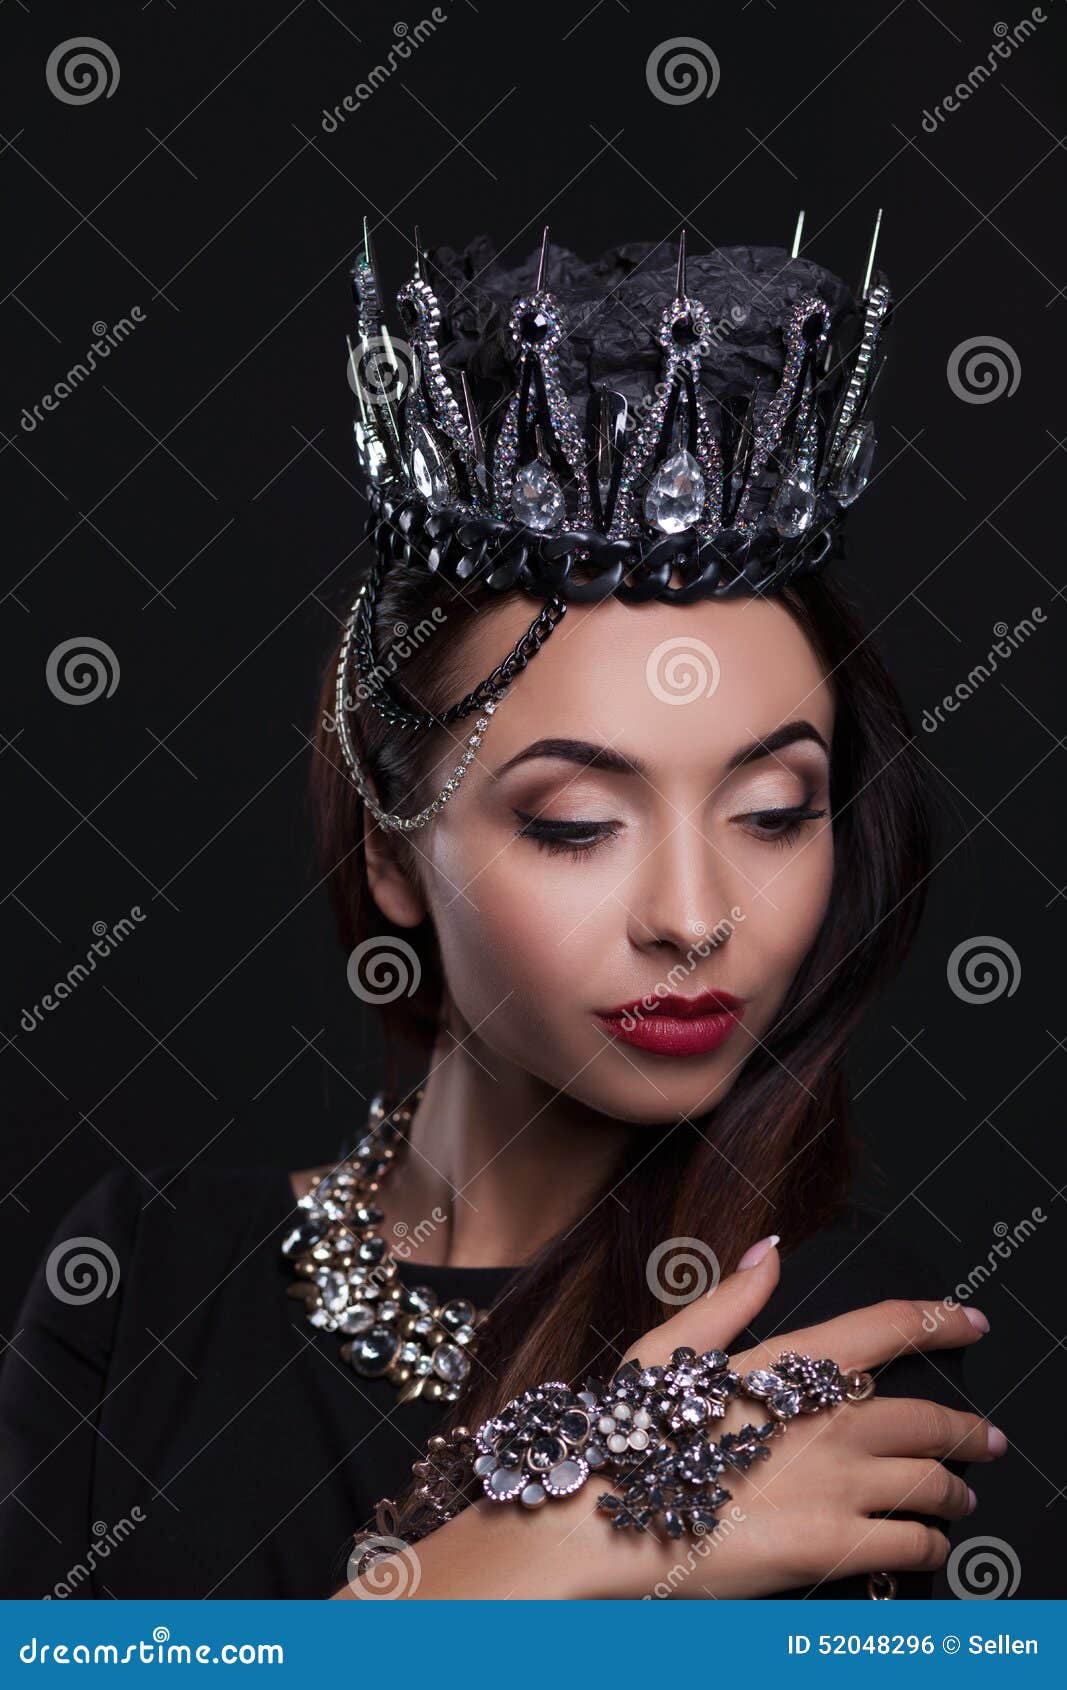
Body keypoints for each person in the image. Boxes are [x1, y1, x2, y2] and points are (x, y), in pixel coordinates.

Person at [0, 226, 1007, 1602]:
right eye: (576, 823)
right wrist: (525, 1560)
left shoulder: (842, 1349)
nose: (694, 917)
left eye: (775, 812)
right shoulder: (137, 1284)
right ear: (394, 850)